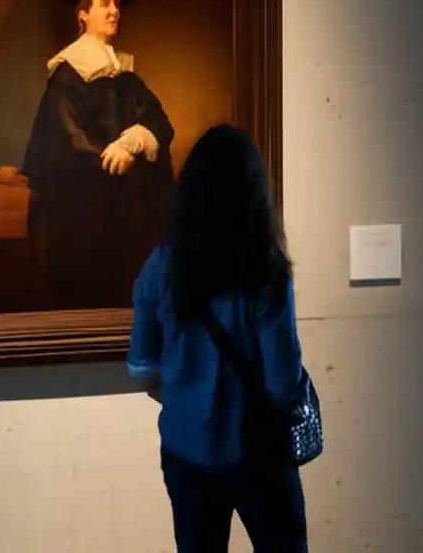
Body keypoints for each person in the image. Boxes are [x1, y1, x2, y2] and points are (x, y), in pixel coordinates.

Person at [127, 124, 309, 552]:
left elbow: (141, 368)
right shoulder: (266, 274)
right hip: (258, 453)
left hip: (186, 450)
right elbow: (283, 382)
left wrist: (186, 396)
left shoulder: (161, 266)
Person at [21, 0, 175, 310]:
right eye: (105, 4)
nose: (114, 11)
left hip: (123, 207)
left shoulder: (125, 76)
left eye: (117, 4)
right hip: (82, 204)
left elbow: (158, 120)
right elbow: (68, 139)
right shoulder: (66, 76)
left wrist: (135, 142)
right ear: (83, 16)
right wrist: (112, 158)